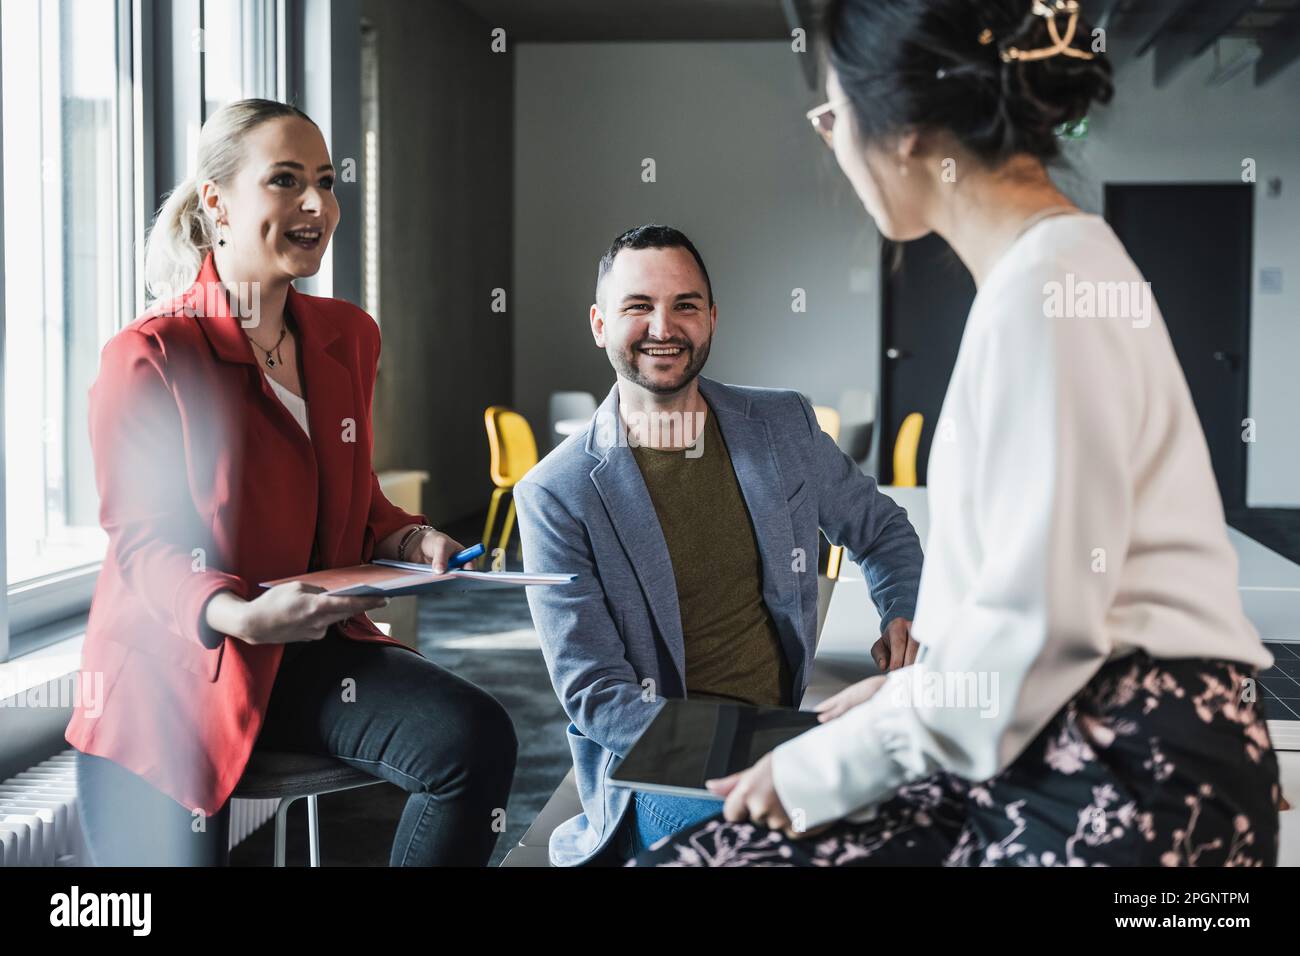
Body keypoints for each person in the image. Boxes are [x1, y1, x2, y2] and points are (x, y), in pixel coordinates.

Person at [633, 0, 1281, 867]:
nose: (833, 144)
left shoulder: (1049, 292)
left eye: (833, 116)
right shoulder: (1052, 271)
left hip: (1129, 775)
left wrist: (828, 764)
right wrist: (904, 699)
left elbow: (1036, 634)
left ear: (902, 128)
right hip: (1079, 739)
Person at [66, 98, 517, 866]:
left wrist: (411, 536)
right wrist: (242, 615)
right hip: (173, 676)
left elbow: (353, 499)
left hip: (306, 653)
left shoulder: (347, 336)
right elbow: (142, 549)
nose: (317, 204)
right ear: (217, 202)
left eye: (326, 180)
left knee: (474, 740)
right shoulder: (149, 355)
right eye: (284, 181)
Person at [514, 223, 924, 866]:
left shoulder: (783, 424)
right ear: (599, 323)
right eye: (637, 306)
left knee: (935, 812)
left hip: (783, 736)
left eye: (684, 305)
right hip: (660, 769)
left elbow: (883, 530)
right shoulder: (557, 493)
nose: (663, 327)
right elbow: (598, 696)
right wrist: (770, 748)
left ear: (711, 317)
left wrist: (901, 609)